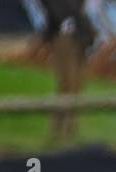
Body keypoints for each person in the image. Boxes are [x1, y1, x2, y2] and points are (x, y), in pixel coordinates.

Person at [37, 0, 98, 143]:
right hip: (64, 36)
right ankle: (58, 130)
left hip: (82, 36)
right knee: (67, 84)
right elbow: (61, 12)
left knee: (77, 85)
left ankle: (70, 129)